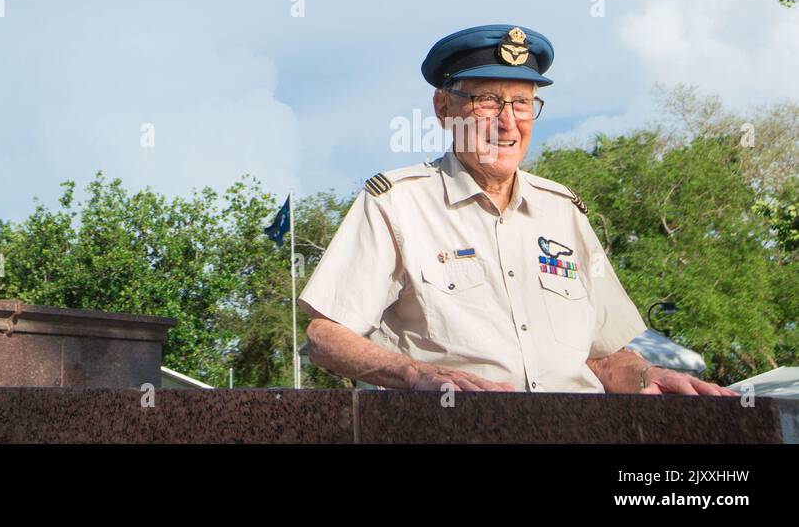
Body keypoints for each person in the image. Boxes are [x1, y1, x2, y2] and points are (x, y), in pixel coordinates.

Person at [299, 24, 735, 394]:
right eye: (488, 100)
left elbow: (600, 357)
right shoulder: (396, 203)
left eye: (523, 103)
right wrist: (417, 374)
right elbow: (324, 335)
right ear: (444, 108)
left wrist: (648, 375)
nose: (508, 122)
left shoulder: (563, 211)